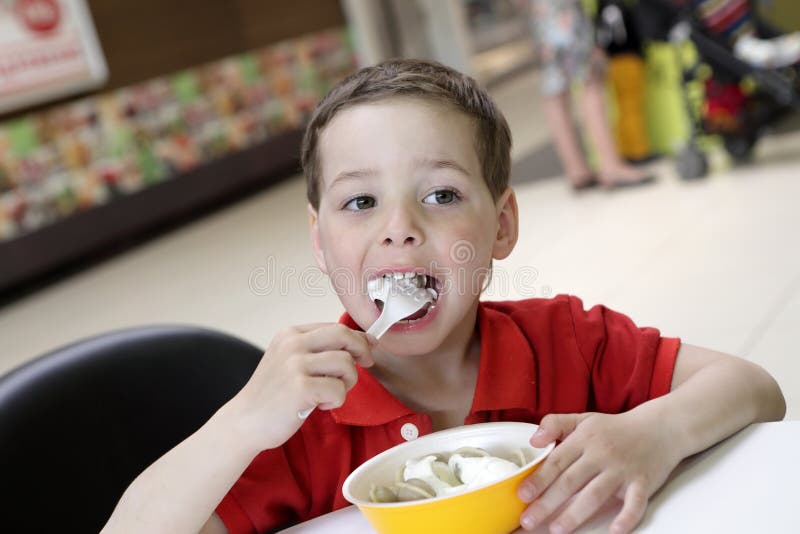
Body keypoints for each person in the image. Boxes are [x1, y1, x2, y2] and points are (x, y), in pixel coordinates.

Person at [101, 59, 785, 534]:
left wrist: (652, 434)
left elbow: (754, 387)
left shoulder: (568, 341)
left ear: (502, 225)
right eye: (360, 201)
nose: (400, 230)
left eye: (441, 195)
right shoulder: (301, 417)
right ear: (318, 240)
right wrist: (241, 424)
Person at [528, 0, 654, 190]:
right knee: (590, 79)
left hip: (540, 11)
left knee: (555, 87)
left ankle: (576, 170)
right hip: (564, 10)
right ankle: (611, 166)